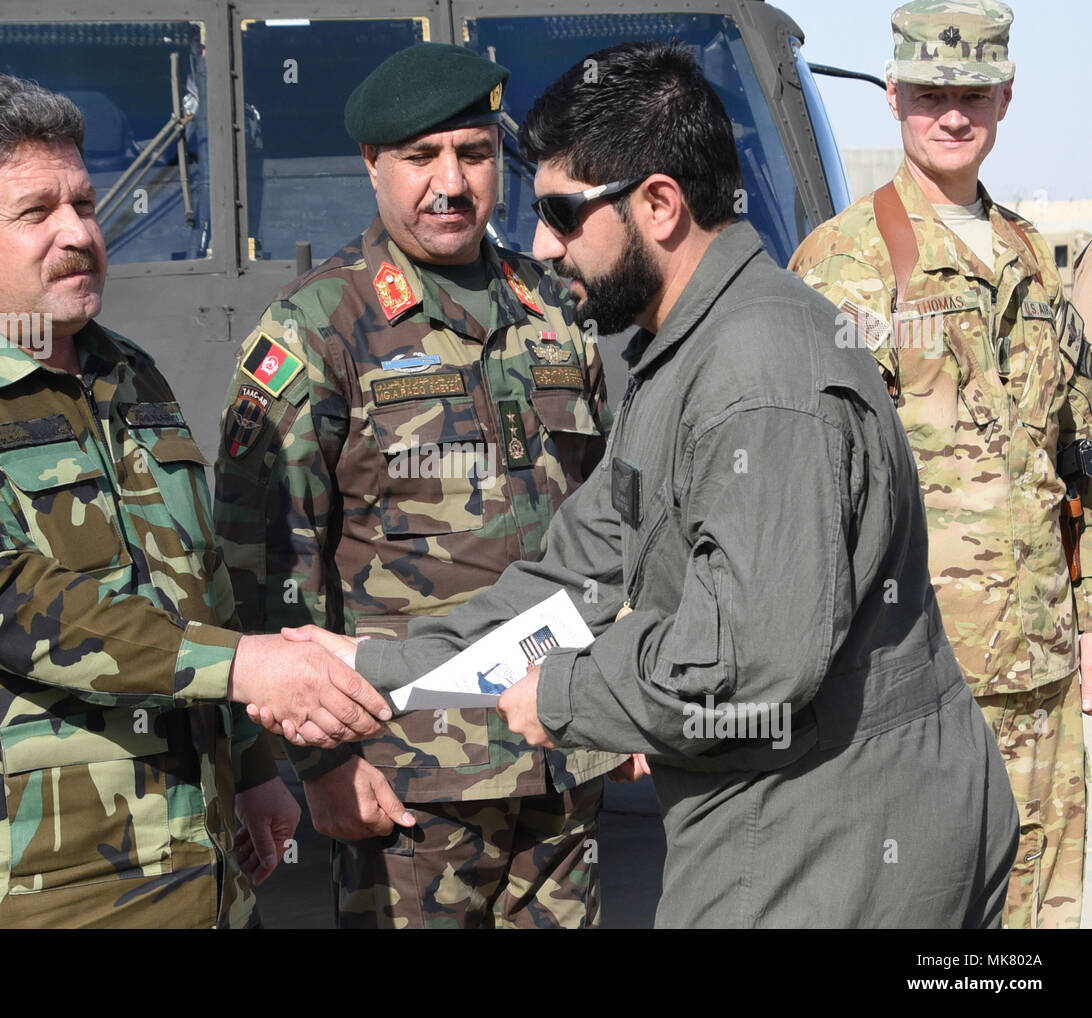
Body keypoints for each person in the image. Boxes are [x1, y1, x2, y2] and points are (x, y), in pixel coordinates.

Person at [262, 40, 1021, 928]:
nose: (540, 242)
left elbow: (747, 665)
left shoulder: (759, 377)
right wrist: (381, 666)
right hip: (762, 812)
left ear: (658, 204)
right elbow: (576, 575)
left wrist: (566, 697)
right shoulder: (684, 351)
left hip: (838, 834)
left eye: (560, 212)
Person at [0, 73, 391, 929]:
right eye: (36, 213)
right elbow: (0, 597)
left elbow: (198, 581)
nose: (78, 233)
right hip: (4, 894)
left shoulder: (125, 371)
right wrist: (252, 667)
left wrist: (254, 764)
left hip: (193, 873)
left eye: (84, 202)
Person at [214, 42, 625, 929]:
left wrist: (621, 693)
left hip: (561, 750)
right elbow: (261, 569)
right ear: (372, 167)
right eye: (421, 158)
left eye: (474, 155)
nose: (451, 183)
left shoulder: (555, 309)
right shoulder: (318, 328)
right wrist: (319, 765)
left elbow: (613, 524)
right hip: (407, 779)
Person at [790, 0, 1087, 928]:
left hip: (1044, 676)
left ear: (1004, 96)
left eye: (970, 93)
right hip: (916, 682)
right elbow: (809, 496)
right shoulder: (842, 266)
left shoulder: (1037, 263)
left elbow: (1076, 468)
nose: (951, 114)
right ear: (892, 98)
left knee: (1039, 923)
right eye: (929, 93)